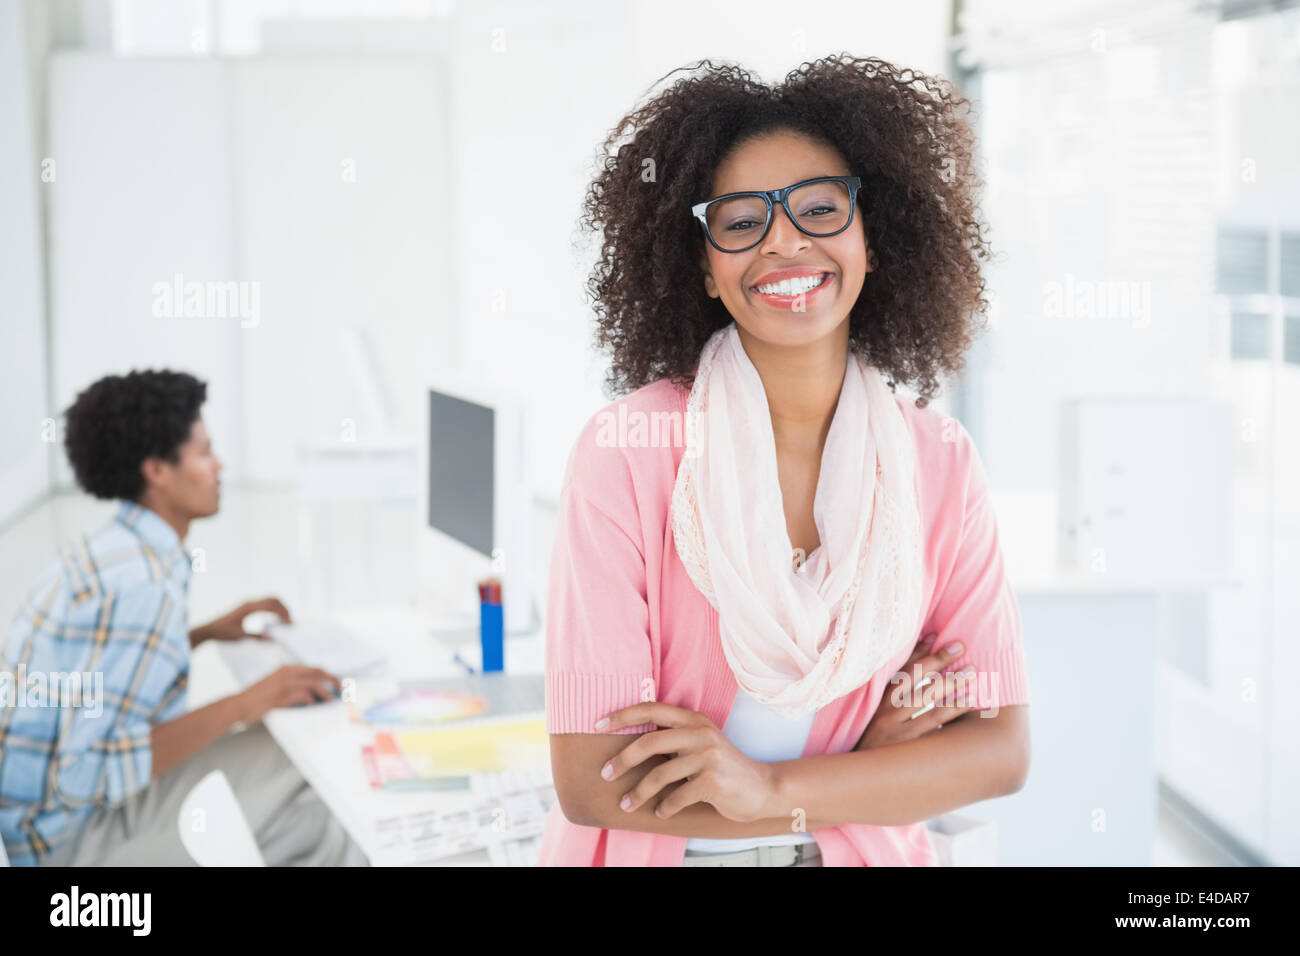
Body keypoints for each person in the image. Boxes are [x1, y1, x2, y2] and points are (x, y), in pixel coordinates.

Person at [540, 54, 1032, 866]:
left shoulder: (939, 462)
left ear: (876, 241)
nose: (784, 241)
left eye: (820, 209)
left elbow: (1001, 751)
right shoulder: (626, 453)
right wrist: (868, 771)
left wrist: (770, 788)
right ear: (704, 265)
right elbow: (595, 783)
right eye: (740, 222)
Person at [0, 369, 367, 866]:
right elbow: (86, 770)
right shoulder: (143, 586)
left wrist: (206, 633)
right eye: (204, 453)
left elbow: (105, 681)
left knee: (306, 822)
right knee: (302, 749)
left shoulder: (119, 549)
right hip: (73, 845)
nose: (219, 466)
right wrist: (245, 703)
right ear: (157, 472)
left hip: (45, 825)